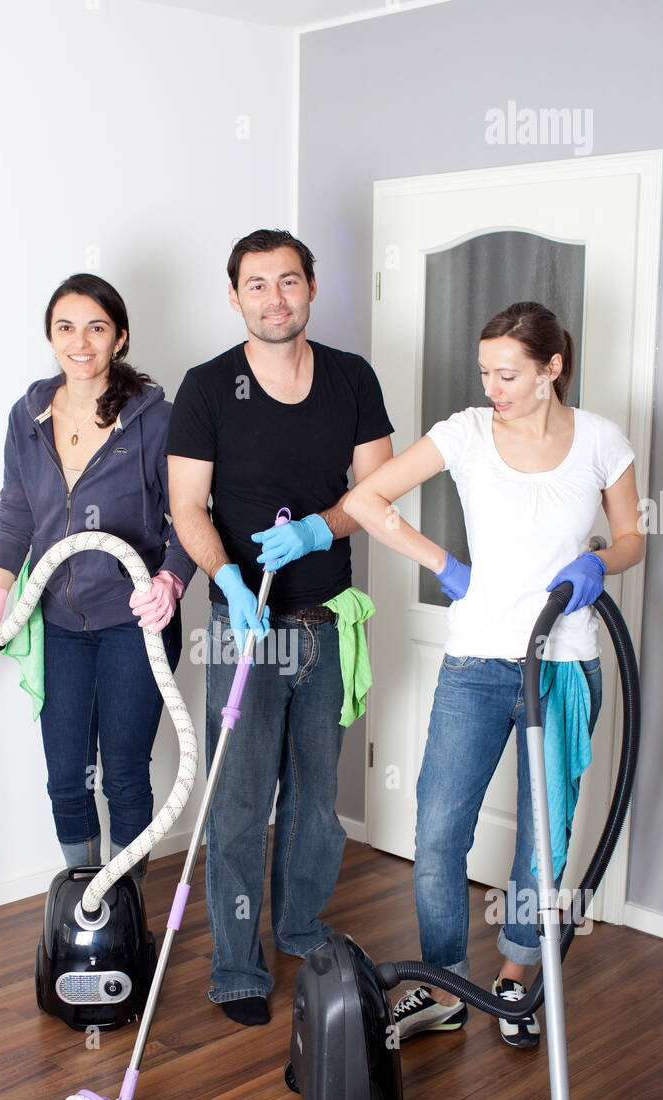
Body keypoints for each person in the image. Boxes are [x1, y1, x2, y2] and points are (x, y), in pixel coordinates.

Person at [343, 301, 644, 1046]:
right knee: (440, 829)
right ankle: (442, 984)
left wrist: (599, 564)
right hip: (475, 665)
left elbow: (635, 537)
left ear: (553, 368)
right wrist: (442, 564)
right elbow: (365, 497)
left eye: (507, 374)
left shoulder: (602, 440)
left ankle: (514, 982)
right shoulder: (466, 434)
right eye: (485, 373)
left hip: (565, 667)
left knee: (543, 843)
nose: (493, 387)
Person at [167, 228, 394, 1026]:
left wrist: (321, 529)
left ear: (311, 289)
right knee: (236, 802)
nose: (274, 298)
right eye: (256, 285)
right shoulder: (205, 388)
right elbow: (187, 506)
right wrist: (228, 580)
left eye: (288, 281)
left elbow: (375, 493)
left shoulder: (351, 379)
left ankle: (299, 928)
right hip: (244, 627)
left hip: (326, 619)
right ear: (234, 297)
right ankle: (236, 966)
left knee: (315, 798)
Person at [0, 273, 195, 873]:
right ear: (50, 337)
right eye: (66, 327)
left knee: (123, 775)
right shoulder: (28, 414)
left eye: (96, 327)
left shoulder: (156, 420)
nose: (80, 341)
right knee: (66, 774)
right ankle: (81, 903)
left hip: (132, 620)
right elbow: (15, 517)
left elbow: (190, 516)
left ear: (120, 337)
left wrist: (170, 579)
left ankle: (121, 906)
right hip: (56, 618)